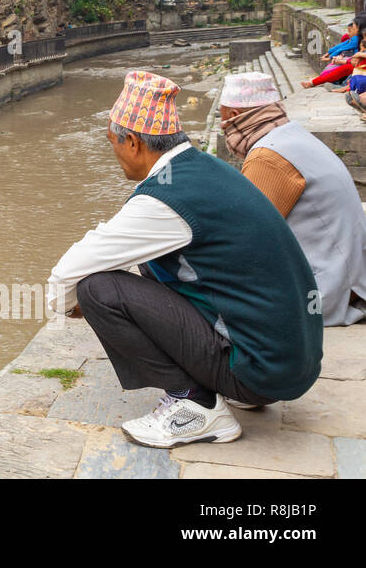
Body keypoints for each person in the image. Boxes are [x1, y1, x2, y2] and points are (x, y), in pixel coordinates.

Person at [47, 70, 323, 449]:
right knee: (148, 262)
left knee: (97, 288)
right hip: (288, 365)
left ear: (132, 142)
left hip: (260, 372)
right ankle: (223, 382)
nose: (114, 154)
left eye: (112, 142)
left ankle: (194, 405)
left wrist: (69, 304)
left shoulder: (165, 198)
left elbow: (67, 271)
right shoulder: (205, 169)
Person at [218, 72, 366, 326]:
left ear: (233, 116)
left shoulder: (267, 156)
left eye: (222, 119)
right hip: (349, 278)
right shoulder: (291, 135)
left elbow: (245, 240)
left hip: (328, 290)